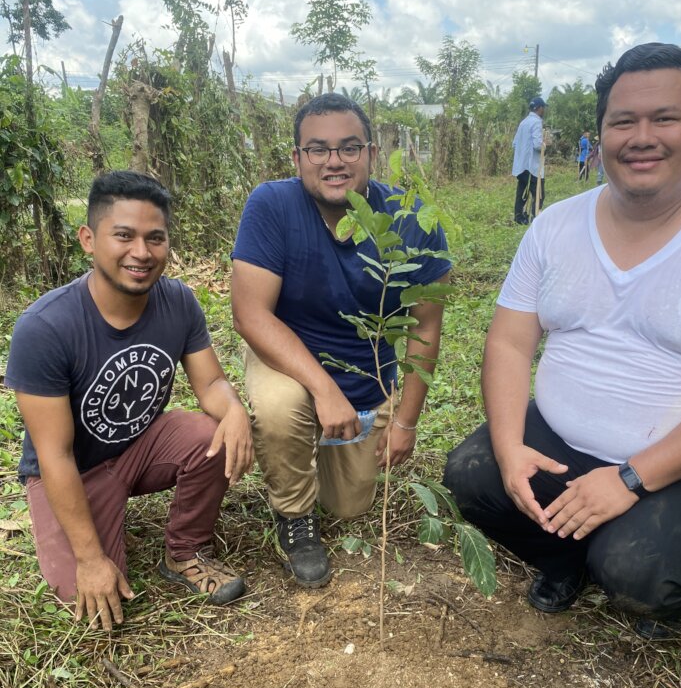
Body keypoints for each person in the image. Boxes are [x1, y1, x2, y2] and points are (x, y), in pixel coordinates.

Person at [444, 42, 681, 640]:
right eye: (623, 121)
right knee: (472, 472)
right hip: (562, 436)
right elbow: (511, 343)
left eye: (664, 118)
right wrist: (512, 445)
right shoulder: (554, 227)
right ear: (600, 136)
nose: (641, 136)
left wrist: (629, 479)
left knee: (640, 572)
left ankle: (657, 591)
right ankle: (562, 556)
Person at [5, 171, 254, 632]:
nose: (141, 252)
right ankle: (93, 533)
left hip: (135, 450)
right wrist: (89, 556)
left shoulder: (178, 301)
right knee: (84, 600)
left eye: (154, 238)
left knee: (207, 433)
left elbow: (212, 383)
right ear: (89, 239)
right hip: (69, 472)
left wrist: (235, 410)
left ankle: (185, 553)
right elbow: (54, 454)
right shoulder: (45, 327)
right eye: (124, 235)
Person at [231, 94, 451, 588]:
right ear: (297, 158)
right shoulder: (272, 204)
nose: (334, 161)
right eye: (318, 149)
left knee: (350, 506)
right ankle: (293, 517)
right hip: (287, 357)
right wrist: (323, 390)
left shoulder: (410, 218)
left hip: (365, 373)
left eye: (349, 148)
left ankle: (331, 444)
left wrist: (407, 423)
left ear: (372, 153)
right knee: (281, 407)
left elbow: (424, 327)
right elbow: (250, 315)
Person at [512, 97, 547, 225]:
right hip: (532, 167)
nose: (544, 110)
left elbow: (514, 144)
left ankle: (519, 217)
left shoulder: (524, 122)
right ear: (539, 108)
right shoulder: (537, 122)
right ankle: (535, 219)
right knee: (539, 194)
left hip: (521, 166)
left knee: (522, 192)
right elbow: (537, 145)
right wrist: (545, 144)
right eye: (543, 108)